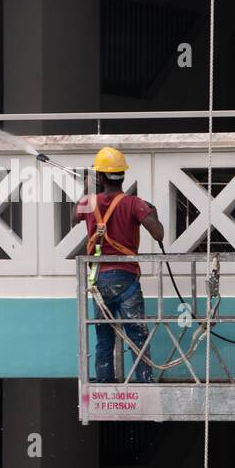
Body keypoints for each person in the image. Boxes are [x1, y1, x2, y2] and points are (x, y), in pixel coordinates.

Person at [75, 146, 165, 383]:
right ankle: (144, 381)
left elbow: (72, 217)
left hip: (99, 281)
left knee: (104, 338)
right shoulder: (134, 204)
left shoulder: (88, 202)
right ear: (123, 175)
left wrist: (87, 188)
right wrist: (150, 211)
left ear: (101, 177)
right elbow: (158, 234)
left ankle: (105, 383)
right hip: (126, 280)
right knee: (137, 334)